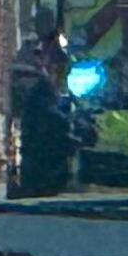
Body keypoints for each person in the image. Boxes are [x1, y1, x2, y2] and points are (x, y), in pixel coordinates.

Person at [7, 30, 81, 198]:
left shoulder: (52, 89)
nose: (57, 67)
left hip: (45, 178)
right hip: (39, 177)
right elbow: (46, 120)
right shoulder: (38, 87)